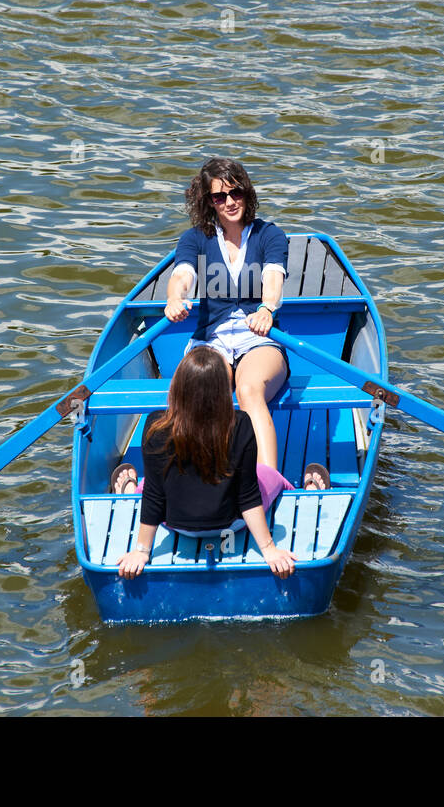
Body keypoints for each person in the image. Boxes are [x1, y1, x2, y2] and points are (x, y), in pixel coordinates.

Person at [115, 347, 328, 579]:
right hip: (232, 525)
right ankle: (307, 493)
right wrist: (268, 549)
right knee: (269, 474)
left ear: (178, 388)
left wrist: (141, 551)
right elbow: (248, 496)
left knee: (148, 483)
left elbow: (155, 495)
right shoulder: (240, 424)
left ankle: (130, 490)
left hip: (175, 525)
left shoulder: (155, 425)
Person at [163, 157, 291, 472]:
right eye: (219, 196)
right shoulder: (195, 238)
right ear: (209, 201)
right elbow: (182, 276)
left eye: (236, 193)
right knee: (202, 391)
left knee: (249, 391)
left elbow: (273, 279)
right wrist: (174, 298)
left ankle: (267, 481)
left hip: (258, 336)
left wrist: (266, 308)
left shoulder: (269, 235)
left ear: (247, 193)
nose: (230, 202)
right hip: (212, 338)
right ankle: (201, 480)